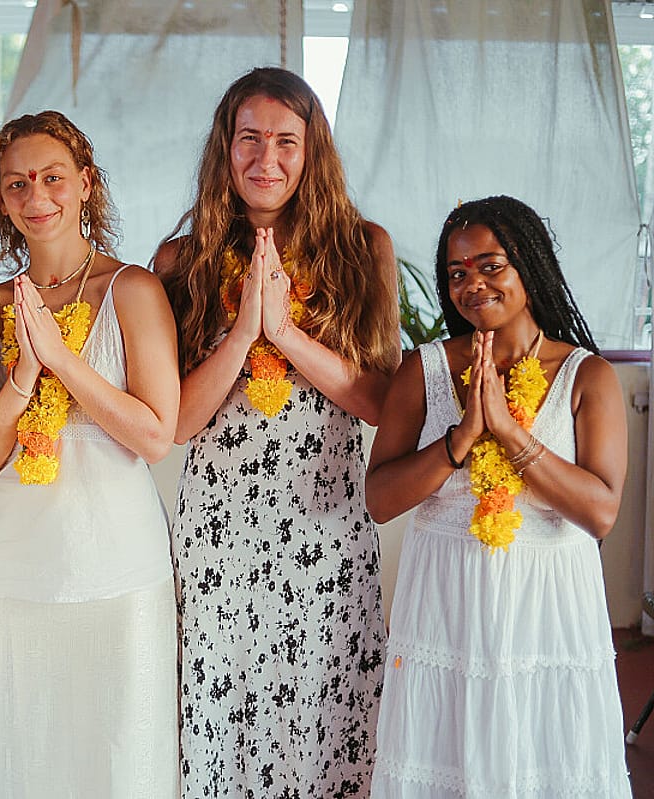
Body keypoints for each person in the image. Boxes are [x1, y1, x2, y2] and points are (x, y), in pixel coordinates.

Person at [155, 67, 400, 797]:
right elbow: (175, 424)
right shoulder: (182, 259)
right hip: (220, 531)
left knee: (329, 713)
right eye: (250, 138)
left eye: (286, 141)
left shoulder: (364, 248)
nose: (267, 159)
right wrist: (242, 335)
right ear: (224, 150)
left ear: (312, 150)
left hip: (323, 525)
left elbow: (383, 401)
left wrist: (286, 334)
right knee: (223, 717)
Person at [365, 196, 632, 798]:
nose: (473, 285)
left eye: (491, 266)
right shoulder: (424, 370)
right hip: (447, 604)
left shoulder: (587, 377)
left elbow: (601, 512)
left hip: (549, 610)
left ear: (529, 267)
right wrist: (460, 440)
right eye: (457, 273)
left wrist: (510, 436)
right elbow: (379, 499)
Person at [0, 111, 180, 797]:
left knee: (122, 753)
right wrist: (27, 375)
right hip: (21, 565)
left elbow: (153, 434)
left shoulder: (134, 289)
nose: (38, 196)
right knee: (29, 754)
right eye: (17, 183)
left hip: (119, 564)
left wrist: (60, 357)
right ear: (1, 198)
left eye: (53, 178)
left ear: (86, 184)